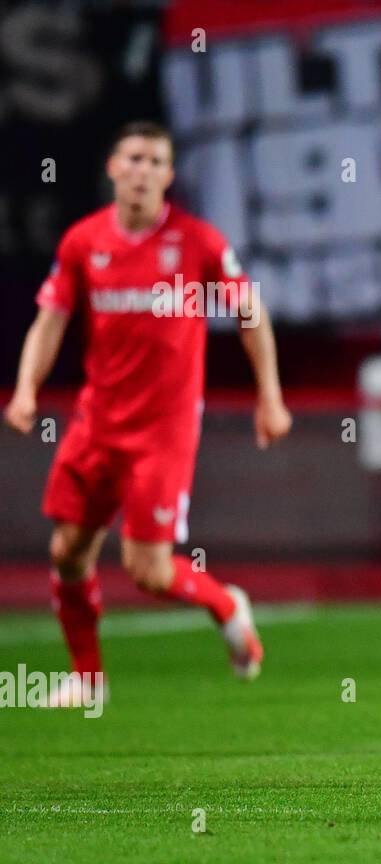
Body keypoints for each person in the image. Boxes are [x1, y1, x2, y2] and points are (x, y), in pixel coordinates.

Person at [3, 121, 292, 706]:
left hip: (163, 433)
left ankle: (224, 602)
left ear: (169, 175)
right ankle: (87, 681)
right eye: (133, 158)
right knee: (66, 552)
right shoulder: (84, 242)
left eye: (156, 161)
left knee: (148, 573)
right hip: (96, 424)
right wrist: (27, 388)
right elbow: (51, 319)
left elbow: (250, 314)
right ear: (113, 168)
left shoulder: (197, 243)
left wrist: (271, 396)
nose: (143, 170)